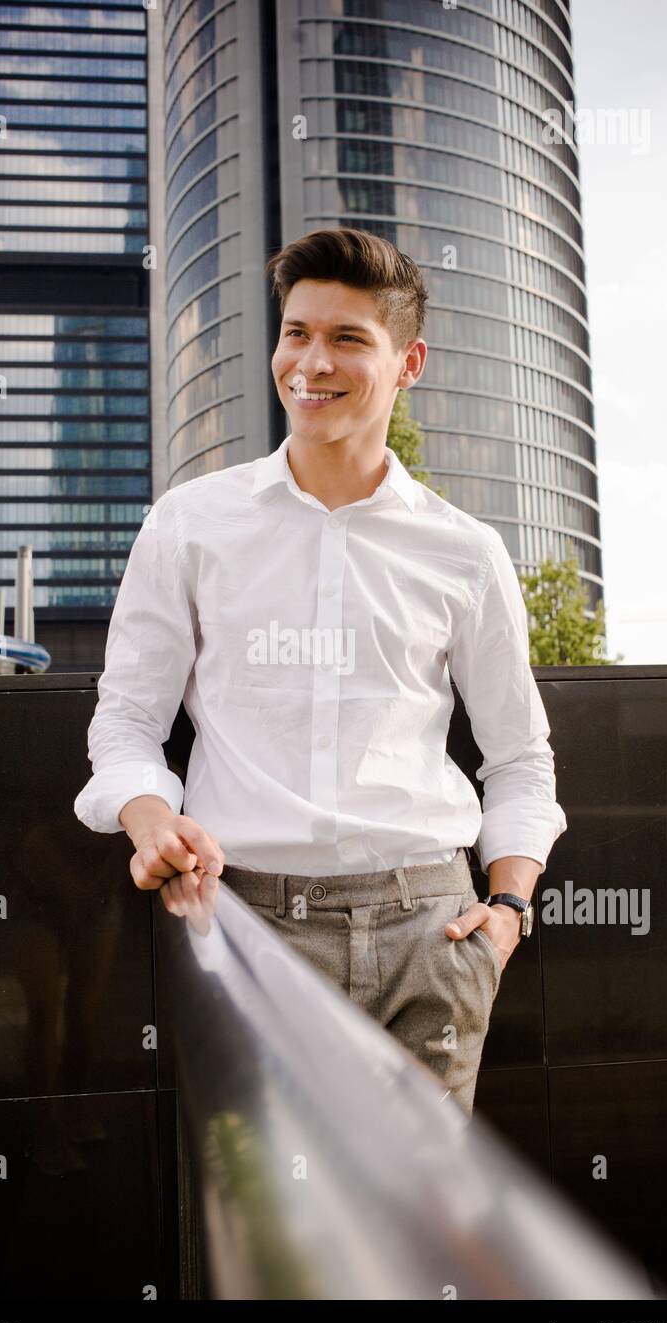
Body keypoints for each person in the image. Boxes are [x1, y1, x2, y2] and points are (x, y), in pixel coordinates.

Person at [74, 228, 567, 1117]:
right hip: (248, 926)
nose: (310, 361)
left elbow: (521, 757)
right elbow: (125, 724)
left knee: (416, 1233)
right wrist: (152, 821)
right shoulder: (189, 526)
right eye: (296, 332)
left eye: (346, 338)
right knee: (265, 1237)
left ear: (407, 362)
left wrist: (506, 913)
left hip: (432, 930)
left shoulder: (465, 552)